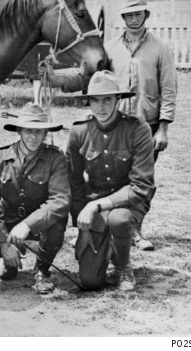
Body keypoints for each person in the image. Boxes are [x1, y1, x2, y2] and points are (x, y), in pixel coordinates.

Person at [40, 0, 177, 251]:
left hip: (145, 127)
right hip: (110, 123)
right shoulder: (109, 48)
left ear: (146, 15)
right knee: (104, 176)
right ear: (123, 17)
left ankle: (133, 228)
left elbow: (168, 88)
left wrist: (164, 129)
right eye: (128, 14)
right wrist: (55, 78)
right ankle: (95, 222)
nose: (133, 18)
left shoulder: (161, 49)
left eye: (138, 13)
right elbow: (85, 78)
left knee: (139, 181)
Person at [0, 103, 70, 294]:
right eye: (28, 131)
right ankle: (11, 261)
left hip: (39, 223)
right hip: (8, 220)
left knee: (56, 225)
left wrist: (27, 225)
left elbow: (60, 201)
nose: (33, 137)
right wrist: (4, 243)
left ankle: (41, 271)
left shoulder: (55, 158)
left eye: (39, 132)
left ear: (45, 134)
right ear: (19, 131)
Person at [67, 71, 155, 292]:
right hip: (93, 204)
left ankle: (123, 265)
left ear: (118, 100)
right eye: (95, 100)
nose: (101, 107)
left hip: (129, 204)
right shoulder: (79, 131)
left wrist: (96, 205)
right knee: (90, 282)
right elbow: (74, 183)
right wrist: (81, 223)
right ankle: (108, 244)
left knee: (118, 219)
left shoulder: (137, 129)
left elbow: (141, 186)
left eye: (107, 99)